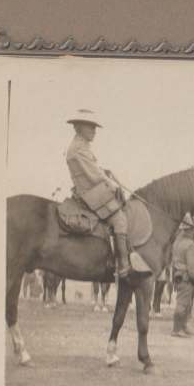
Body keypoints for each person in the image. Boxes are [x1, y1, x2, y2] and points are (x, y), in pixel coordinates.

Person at [65, 108, 132, 278]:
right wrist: (113, 185)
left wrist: (105, 172)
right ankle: (123, 264)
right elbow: (94, 176)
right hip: (90, 193)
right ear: (79, 127)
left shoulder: (81, 146)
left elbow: (93, 170)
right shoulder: (79, 149)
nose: (94, 131)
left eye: (94, 127)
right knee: (120, 220)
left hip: (89, 189)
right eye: (91, 127)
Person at [170, 214, 194, 338]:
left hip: (178, 276)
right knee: (183, 304)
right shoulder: (190, 245)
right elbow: (192, 268)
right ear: (190, 230)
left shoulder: (177, 243)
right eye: (193, 229)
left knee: (185, 303)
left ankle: (183, 327)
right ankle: (177, 329)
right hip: (187, 278)